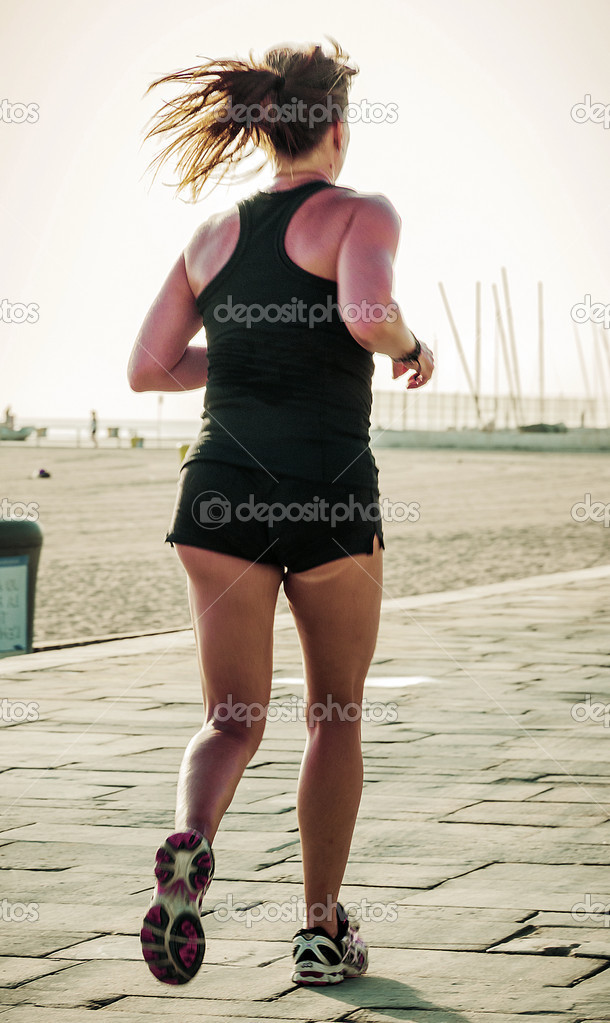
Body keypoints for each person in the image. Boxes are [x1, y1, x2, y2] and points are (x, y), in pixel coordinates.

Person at [129, 39, 434, 988]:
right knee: (333, 714)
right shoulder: (359, 211)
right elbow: (365, 311)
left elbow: (147, 368)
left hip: (218, 487)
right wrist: (411, 343)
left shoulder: (211, 233)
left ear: (265, 127)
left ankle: (190, 841)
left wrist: (247, 356)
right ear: (337, 129)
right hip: (328, 489)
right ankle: (318, 932)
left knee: (229, 716)